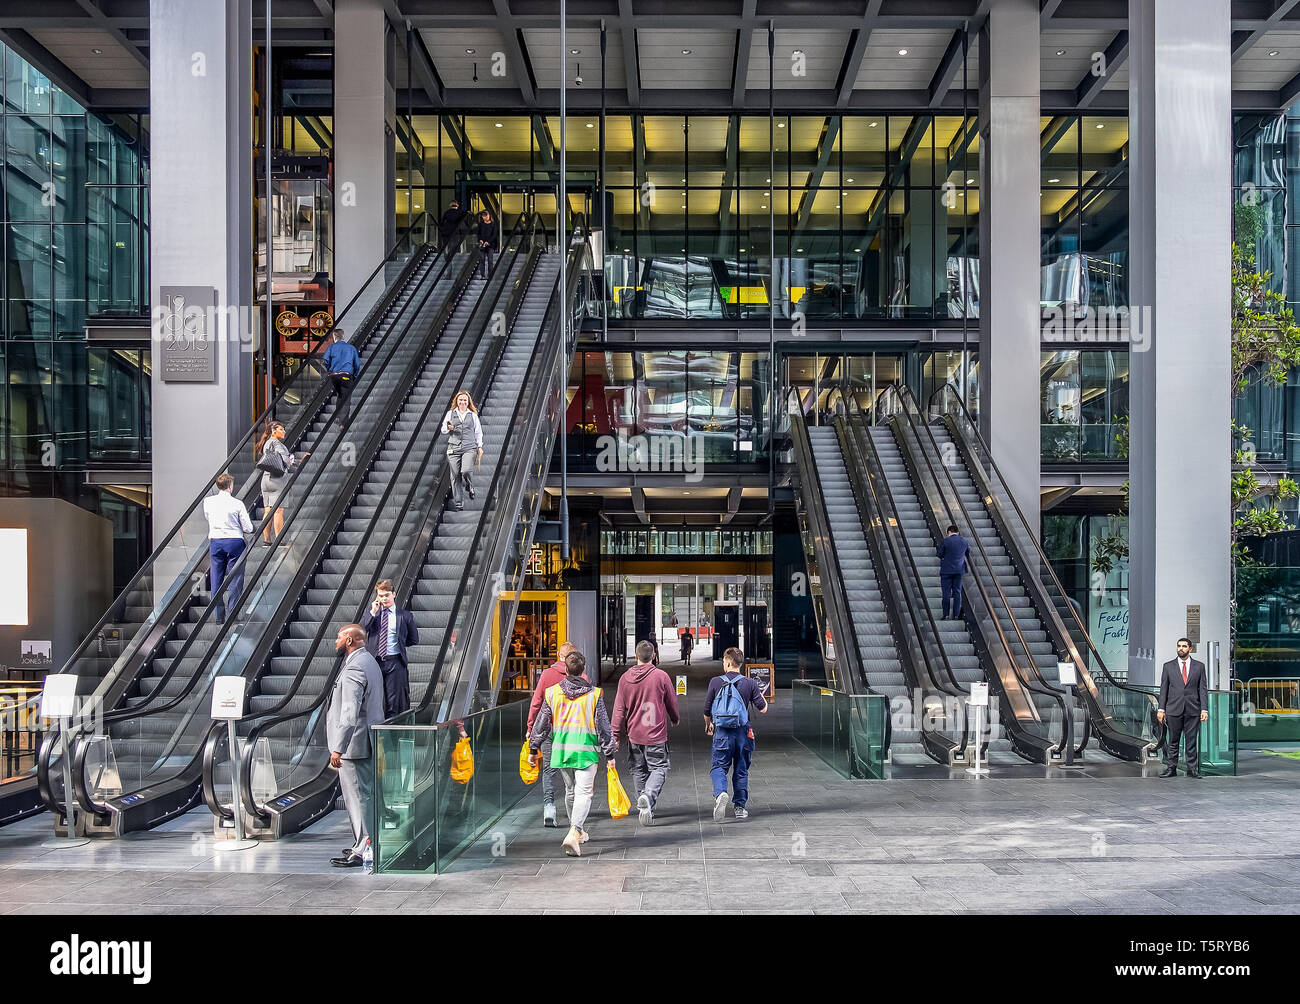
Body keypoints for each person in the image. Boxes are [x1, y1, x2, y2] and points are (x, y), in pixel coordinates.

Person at [528, 651, 616, 856]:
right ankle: (574, 832)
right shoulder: (594, 695)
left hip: (562, 752)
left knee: (571, 791)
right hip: (586, 752)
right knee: (584, 793)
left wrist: (533, 748)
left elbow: (541, 725)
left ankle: (578, 830)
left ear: (565, 670)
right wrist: (610, 755)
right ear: (583, 670)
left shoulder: (552, 693)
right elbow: (604, 727)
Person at [327, 623, 385, 867]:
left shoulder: (354, 668)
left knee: (357, 797)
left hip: (355, 745)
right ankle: (365, 842)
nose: (336, 641)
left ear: (350, 640)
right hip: (368, 739)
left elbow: (349, 711)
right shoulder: (370, 661)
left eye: (339, 637)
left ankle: (363, 848)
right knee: (367, 795)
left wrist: (339, 747)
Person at [611, 640, 680, 825]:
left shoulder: (625, 678)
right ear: (654, 656)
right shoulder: (661, 676)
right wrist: (674, 717)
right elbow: (671, 701)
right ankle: (648, 797)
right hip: (655, 735)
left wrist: (615, 736)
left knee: (638, 771)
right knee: (659, 768)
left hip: (635, 735)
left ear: (636, 656)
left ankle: (644, 804)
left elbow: (619, 710)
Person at [704, 646, 768, 822]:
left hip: (722, 732)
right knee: (741, 770)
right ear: (740, 664)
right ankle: (739, 807)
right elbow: (763, 709)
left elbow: (707, 709)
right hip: (743, 733)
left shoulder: (715, 682)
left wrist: (709, 725)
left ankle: (721, 793)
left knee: (718, 767)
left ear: (727, 662)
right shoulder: (750, 683)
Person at [527, 640, 584, 827]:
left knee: (549, 770)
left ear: (559, 655)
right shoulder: (583, 676)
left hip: (549, 729)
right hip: (572, 730)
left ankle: (549, 807)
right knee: (574, 769)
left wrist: (530, 728)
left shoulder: (547, 674)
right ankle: (573, 806)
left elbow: (536, 703)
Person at [360, 579, 419, 718]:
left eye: (386, 595)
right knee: (373, 700)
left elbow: (414, 639)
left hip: (395, 662)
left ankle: (391, 733)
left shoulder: (404, 616)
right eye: (380, 596)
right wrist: (372, 613)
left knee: (394, 703)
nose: (384, 598)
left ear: (394, 594)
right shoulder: (373, 614)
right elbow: (360, 632)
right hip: (375, 662)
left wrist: (398, 645)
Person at [202, 473, 253, 623]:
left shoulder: (208, 502)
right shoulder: (237, 504)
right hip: (234, 542)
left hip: (216, 542)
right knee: (235, 578)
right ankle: (233, 614)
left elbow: (208, 517)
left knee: (216, 578)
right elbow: (248, 527)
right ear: (230, 487)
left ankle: (219, 616)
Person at [1157, 638, 1210, 778]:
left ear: (1190, 649)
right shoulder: (1168, 666)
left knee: (1191, 741)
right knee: (1173, 741)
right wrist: (1161, 709)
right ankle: (1171, 768)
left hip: (1193, 709)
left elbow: (1202, 689)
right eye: (1179, 646)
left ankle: (1192, 770)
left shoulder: (1199, 666)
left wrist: (1204, 709)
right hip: (1174, 709)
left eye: (1184, 646)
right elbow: (1164, 689)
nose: (1181, 648)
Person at [255, 421, 298, 545]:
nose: (284, 431)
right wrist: (292, 459)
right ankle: (279, 539)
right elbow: (285, 460)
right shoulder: (276, 442)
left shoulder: (267, 443)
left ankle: (267, 539)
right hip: (278, 479)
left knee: (268, 510)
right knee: (279, 510)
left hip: (266, 479)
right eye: (281, 429)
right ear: (274, 431)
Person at [441, 389, 484, 511]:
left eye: (465, 400)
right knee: (455, 475)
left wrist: (479, 446)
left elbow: (478, 432)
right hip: (453, 448)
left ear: (468, 401)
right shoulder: (450, 414)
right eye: (460, 400)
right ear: (457, 401)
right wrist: (448, 428)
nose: (463, 402)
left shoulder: (473, 415)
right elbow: (443, 429)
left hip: (469, 447)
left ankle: (470, 486)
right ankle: (459, 504)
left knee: (465, 470)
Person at [320, 329, 360, 429]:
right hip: (346, 375)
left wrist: (330, 370)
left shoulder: (331, 347)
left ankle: (337, 416)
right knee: (346, 398)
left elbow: (325, 359)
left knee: (340, 395)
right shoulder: (351, 348)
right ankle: (343, 423)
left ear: (334, 337)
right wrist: (354, 375)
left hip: (334, 376)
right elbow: (357, 364)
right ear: (343, 337)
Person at [937, 524, 971, 619]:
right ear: (958, 532)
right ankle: (956, 614)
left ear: (949, 532)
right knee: (957, 592)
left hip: (946, 571)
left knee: (946, 593)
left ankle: (946, 614)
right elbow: (968, 552)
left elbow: (940, 554)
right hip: (959, 570)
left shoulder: (946, 541)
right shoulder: (964, 541)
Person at [475, 209, 498, 278]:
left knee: (490, 260)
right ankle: (482, 275)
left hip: (490, 245)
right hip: (482, 245)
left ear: (489, 215)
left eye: (486, 215)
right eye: (483, 216)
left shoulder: (493, 224)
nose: (484, 217)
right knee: (482, 260)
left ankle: (490, 275)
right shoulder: (480, 224)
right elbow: (478, 234)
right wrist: (480, 240)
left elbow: (494, 235)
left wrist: (488, 242)